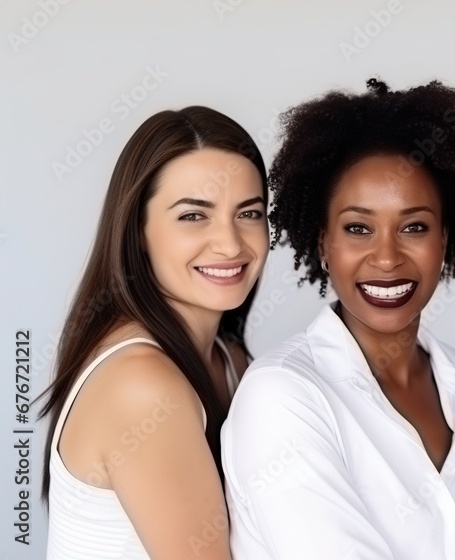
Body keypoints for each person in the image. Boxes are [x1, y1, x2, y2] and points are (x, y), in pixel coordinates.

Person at [221, 78, 455, 559]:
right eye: (358, 228)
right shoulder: (283, 396)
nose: (387, 258)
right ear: (324, 244)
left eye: (414, 227)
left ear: (444, 241)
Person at [39, 106, 269, 559]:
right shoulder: (141, 384)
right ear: (138, 231)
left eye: (249, 213)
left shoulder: (229, 357)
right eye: (192, 216)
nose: (230, 243)